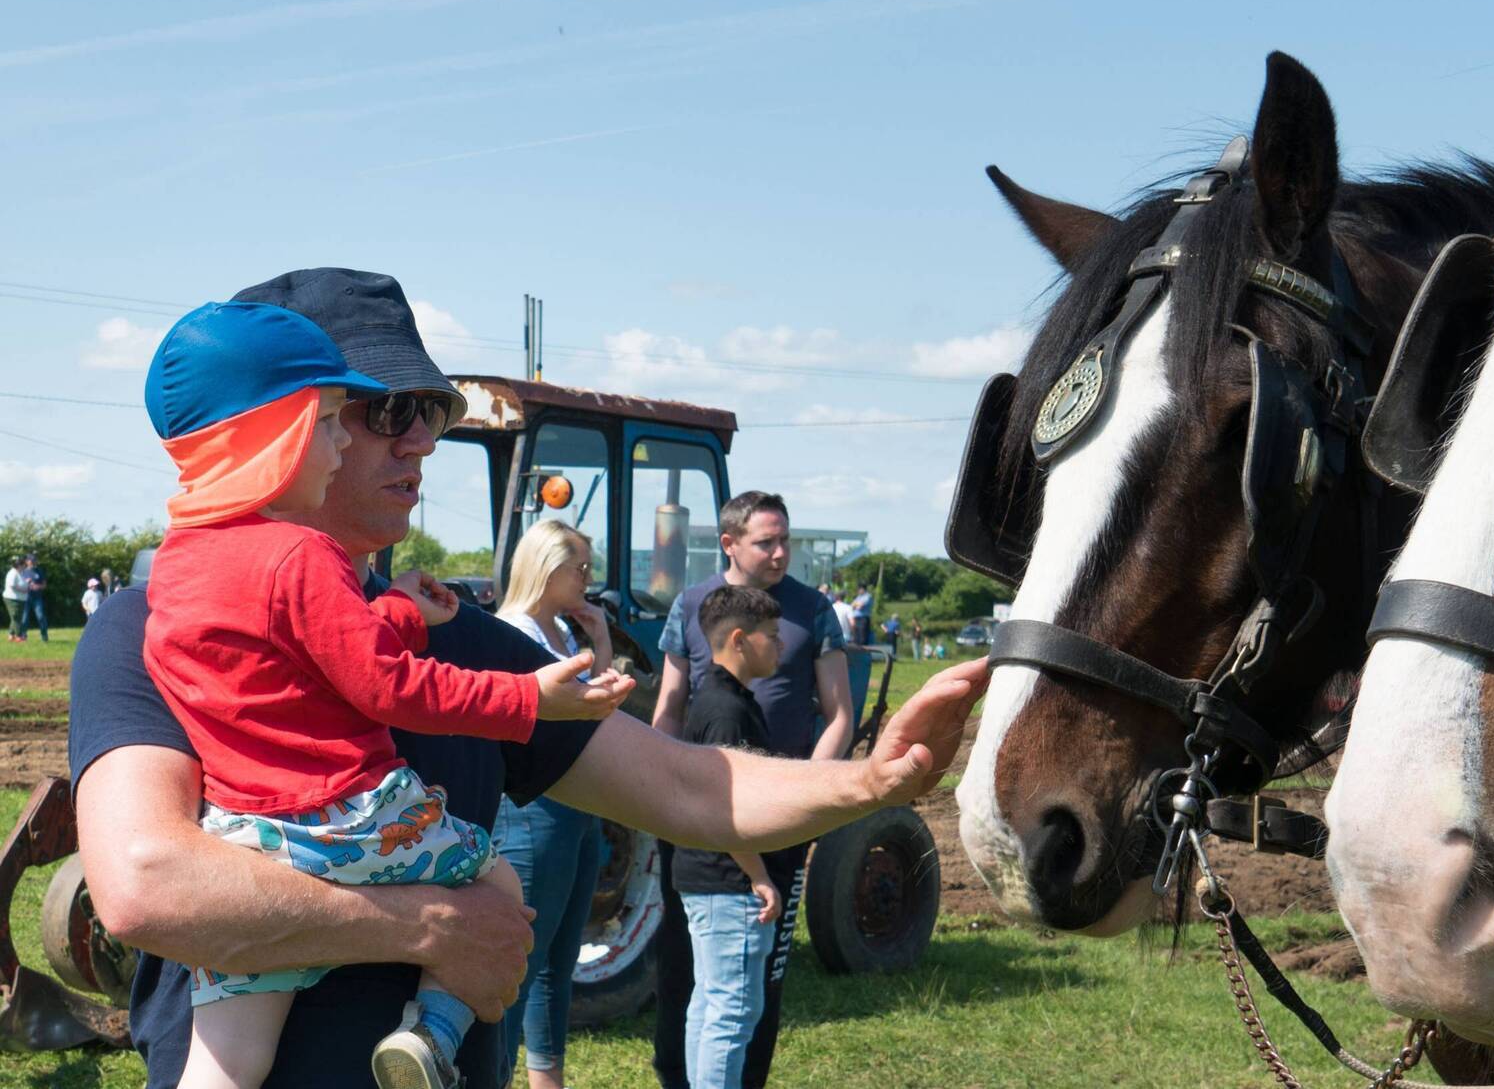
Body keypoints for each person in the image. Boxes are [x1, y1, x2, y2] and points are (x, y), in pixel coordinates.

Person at [69, 266, 987, 1089]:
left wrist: (872, 778)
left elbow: (687, 785)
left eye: (431, 411)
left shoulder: (464, 639)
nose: (418, 441)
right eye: (386, 408)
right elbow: (147, 883)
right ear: (286, 427)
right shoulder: (159, 627)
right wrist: (433, 927)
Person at [139, 300, 629, 1089]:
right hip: (356, 819)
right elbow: (382, 684)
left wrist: (397, 609)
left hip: (247, 845)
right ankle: (429, 1036)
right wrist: (529, 697)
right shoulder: (302, 553)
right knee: (497, 885)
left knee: (226, 1057)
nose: (342, 440)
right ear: (276, 433)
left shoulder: (177, 565)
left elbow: (306, 661)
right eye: (331, 420)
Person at [650, 491, 852, 1089]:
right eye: (767, 541)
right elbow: (667, 707)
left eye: (785, 539)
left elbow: (838, 714)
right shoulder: (690, 606)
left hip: (776, 819)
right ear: (729, 543)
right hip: (698, 815)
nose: (781, 552)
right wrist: (656, 796)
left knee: (757, 974)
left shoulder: (814, 611)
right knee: (688, 967)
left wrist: (807, 798)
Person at [491, 518, 612, 1089]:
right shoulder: (514, 631)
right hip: (534, 815)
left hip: (574, 812)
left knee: (558, 964)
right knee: (520, 966)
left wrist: (601, 644)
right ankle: (496, 1073)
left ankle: (547, 1080)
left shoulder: (561, 630)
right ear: (546, 567)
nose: (588, 578)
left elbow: (595, 718)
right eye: (580, 567)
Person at [674, 586, 786, 1089]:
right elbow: (726, 810)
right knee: (732, 1012)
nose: (781, 644)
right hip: (728, 882)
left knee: (712, 1003)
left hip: (708, 880)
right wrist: (759, 874)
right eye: (773, 635)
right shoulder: (727, 711)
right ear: (741, 640)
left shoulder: (720, 697)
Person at [21, 553, 48, 642]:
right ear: (27, 561)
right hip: (26, 598)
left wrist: (38, 587)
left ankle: (44, 636)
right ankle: (23, 636)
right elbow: (19, 585)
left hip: (37, 598)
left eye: (34, 560)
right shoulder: (23, 572)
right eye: (30, 560)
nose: (32, 562)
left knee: (40, 616)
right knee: (24, 618)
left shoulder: (39, 571)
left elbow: (44, 585)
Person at [4, 556, 25, 642]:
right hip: (11, 598)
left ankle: (11, 635)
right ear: (19, 565)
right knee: (15, 616)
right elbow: (12, 586)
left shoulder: (21, 573)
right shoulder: (12, 573)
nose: (25, 566)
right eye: (23, 565)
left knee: (17, 617)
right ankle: (19, 636)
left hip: (21, 599)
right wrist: (23, 590)